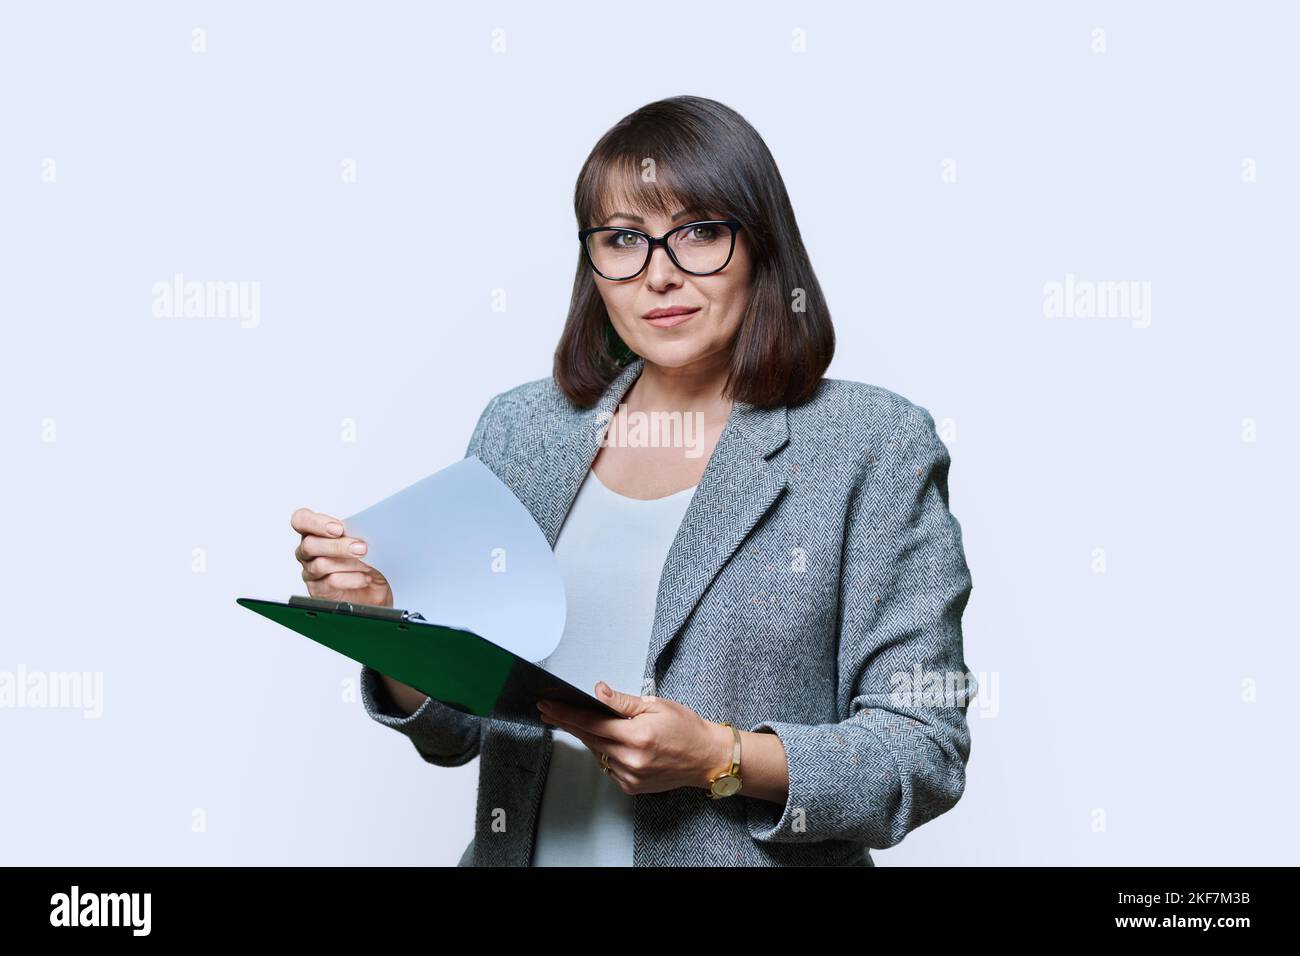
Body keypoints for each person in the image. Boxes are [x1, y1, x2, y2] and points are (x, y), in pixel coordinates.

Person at [291, 95, 976, 866]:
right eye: (624, 240)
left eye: (701, 234)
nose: (660, 275)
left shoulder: (870, 444)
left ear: (762, 247)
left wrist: (722, 758)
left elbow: (922, 747)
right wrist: (389, 634)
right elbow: (460, 732)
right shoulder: (522, 431)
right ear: (593, 263)